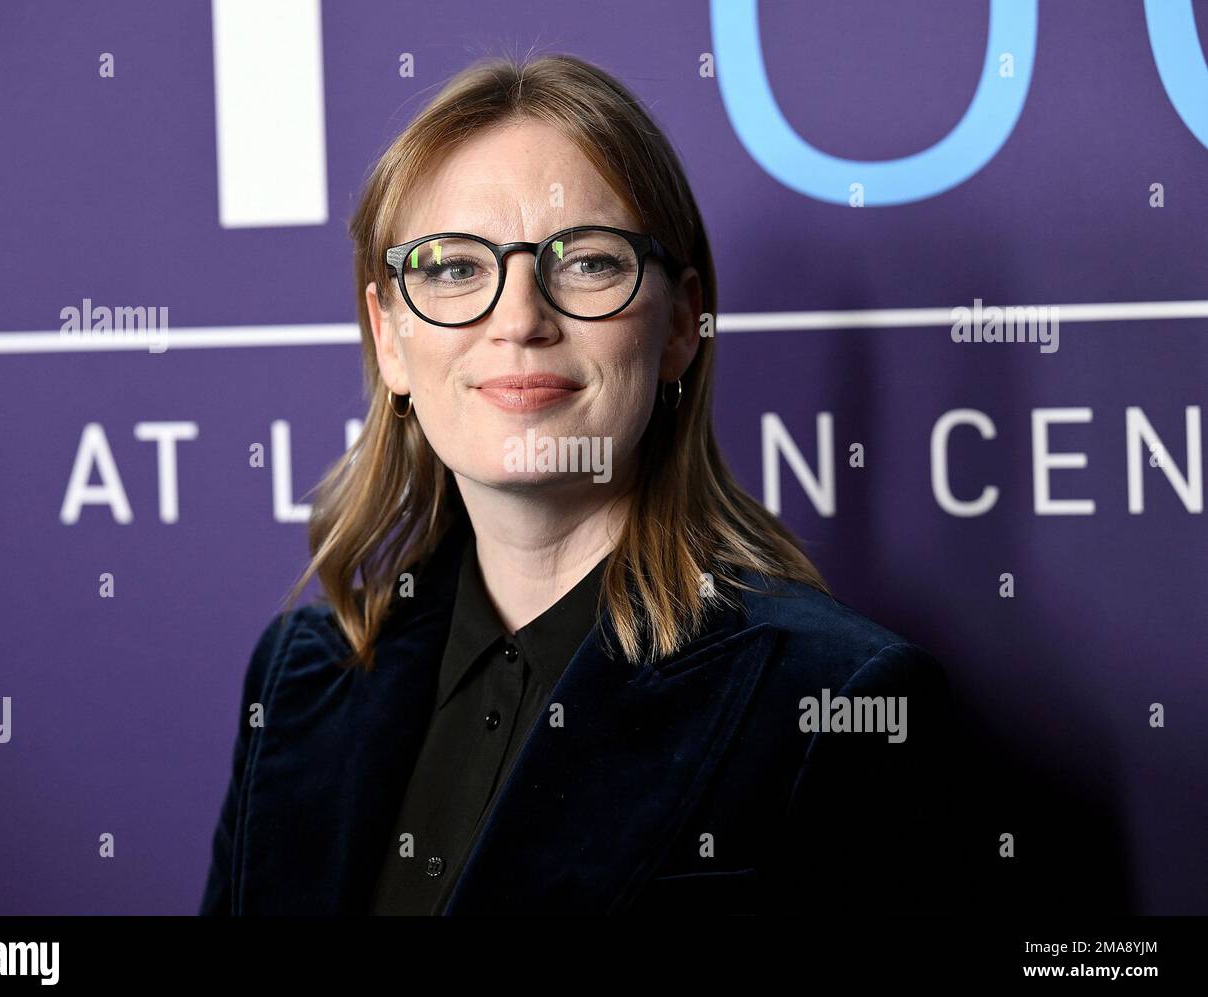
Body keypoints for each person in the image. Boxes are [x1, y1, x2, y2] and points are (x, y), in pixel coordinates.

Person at [198, 52, 955, 916]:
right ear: (391, 338)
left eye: (587, 262)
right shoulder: (299, 678)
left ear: (679, 324)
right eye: (454, 269)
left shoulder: (837, 700)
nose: (520, 319)